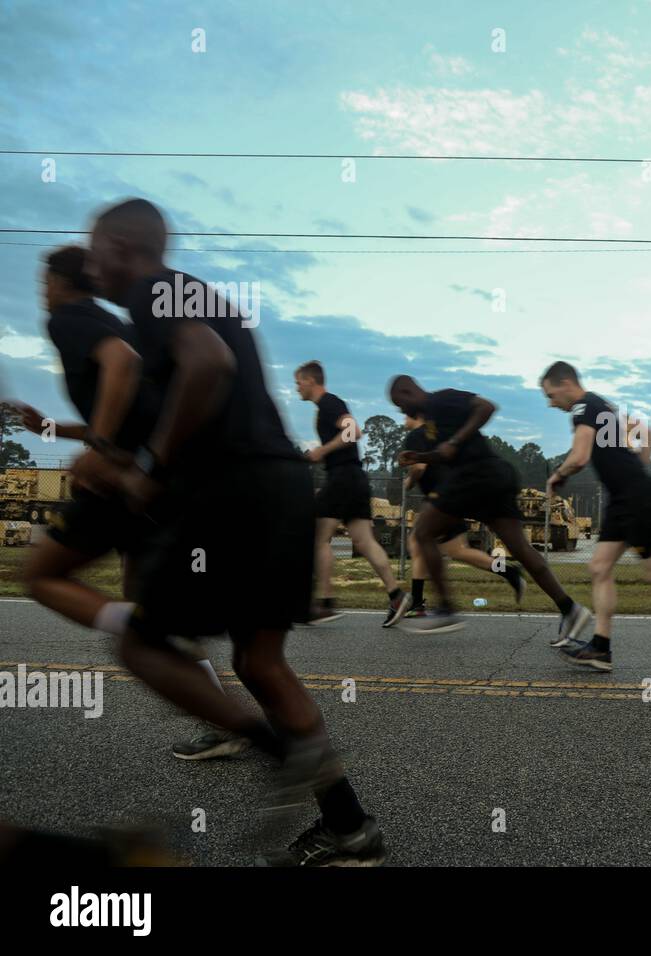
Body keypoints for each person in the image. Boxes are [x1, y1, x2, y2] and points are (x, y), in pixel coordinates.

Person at [82, 198, 384, 865]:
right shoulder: (194, 293)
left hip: (237, 492)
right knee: (259, 662)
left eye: (93, 245)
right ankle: (351, 831)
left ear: (122, 244)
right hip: (278, 487)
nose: (88, 259)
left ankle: (281, 752)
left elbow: (209, 364)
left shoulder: (154, 291)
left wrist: (150, 469)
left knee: (139, 641)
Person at [18, 245, 247, 762]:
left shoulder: (70, 318)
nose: (42, 291)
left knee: (40, 575)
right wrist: (50, 427)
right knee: (142, 595)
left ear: (63, 282)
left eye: (44, 281)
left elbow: (122, 367)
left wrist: (96, 447)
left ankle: (149, 631)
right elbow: (134, 393)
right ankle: (221, 720)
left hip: (124, 478)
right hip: (156, 475)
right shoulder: (112, 319)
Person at [540, 363, 651, 671]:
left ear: (566, 383)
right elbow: (647, 433)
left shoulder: (584, 407)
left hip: (634, 496)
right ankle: (601, 648)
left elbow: (580, 457)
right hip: (624, 496)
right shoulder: (602, 405)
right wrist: (637, 466)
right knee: (599, 566)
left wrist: (557, 475)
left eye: (551, 394)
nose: (550, 402)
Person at [389, 375, 593, 643]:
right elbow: (445, 454)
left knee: (423, 532)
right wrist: (421, 457)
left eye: (400, 403)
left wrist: (456, 441)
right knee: (520, 549)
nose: (401, 410)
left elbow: (486, 407)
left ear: (408, 391)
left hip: (477, 475)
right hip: (491, 478)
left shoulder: (442, 398)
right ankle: (570, 609)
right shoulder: (429, 422)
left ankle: (447, 608)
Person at [294, 363, 410, 627]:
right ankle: (397, 595)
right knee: (365, 541)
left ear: (311, 380)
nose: (297, 387)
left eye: (299, 382)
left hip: (343, 477)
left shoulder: (329, 403)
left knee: (318, 538)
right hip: (355, 479)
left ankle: (325, 603)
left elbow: (353, 431)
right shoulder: (326, 407)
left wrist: (321, 452)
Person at [400, 412, 525, 616]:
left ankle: (417, 601)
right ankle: (509, 571)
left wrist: (409, 482)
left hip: (440, 499)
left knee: (418, 541)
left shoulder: (415, 436)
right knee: (459, 550)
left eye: (404, 414)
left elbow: (419, 468)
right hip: (454, 493)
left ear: (415, 415)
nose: (403, 420)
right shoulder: (437, 433)